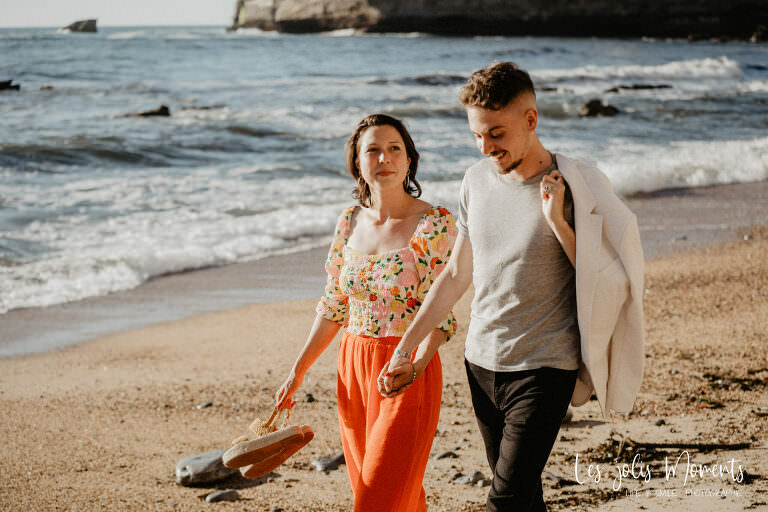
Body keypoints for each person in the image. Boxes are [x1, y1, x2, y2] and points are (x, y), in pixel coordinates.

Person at [380, 62, 645, 511]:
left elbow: (612, 279)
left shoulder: (579, 184)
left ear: (531, 120)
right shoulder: (475, 181)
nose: (486, 147)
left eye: (496, 134)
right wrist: (406, 349)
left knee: (504, 499)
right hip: (482, 363)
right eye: (477, 135)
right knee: (523, 497)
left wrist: (558, 223)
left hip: (545, 366)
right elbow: (456, 274)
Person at [275, 113, 458, 511]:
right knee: (388, 494)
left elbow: (441, 316)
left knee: (379, 498)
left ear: (409, 159)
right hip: (352, 368)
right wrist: (298, 370)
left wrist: (415, 363)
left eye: (395, 149)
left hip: (405, 368)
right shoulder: (348, 222)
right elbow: (334, 305)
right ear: (357, 162)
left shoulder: (435, 224)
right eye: (372, 150)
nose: (384, 158)